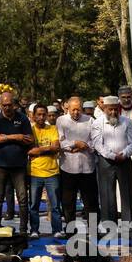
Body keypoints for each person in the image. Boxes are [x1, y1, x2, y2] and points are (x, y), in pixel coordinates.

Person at [0, 91, 35, 230]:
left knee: (22, 198)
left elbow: (30, 139)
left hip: (19, 164)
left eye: (9, 105)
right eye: (4, 105)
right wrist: (14, 137)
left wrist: (4, 137)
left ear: (14, 104)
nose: (7, 108)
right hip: (0, 165)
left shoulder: (23, 118)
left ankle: (23, 229)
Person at [56, 97, 98, 237]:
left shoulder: (90, 120)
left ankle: (93, 230)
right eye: (73, 109)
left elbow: (95, 141)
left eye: (78, 109)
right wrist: (76, 143)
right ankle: (70, 231)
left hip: (87, 167)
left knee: (90, 202)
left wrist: (84, 146)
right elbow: (61, 142)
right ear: (67, 108)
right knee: (68, 202)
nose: (75, 112)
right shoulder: (61, 120)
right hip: (68, 167)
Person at [92, 96, 132, 223]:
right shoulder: (97, 123)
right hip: (106, 162)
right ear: (104, 108)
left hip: (125, 161)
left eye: (116, 109)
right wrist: (112, 156)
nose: (113, 112)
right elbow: (98, 144)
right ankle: (109, 225)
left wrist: (124, 154)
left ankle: (128, 225)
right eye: (110, 109)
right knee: (107, 195)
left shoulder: (127, 122)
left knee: (127, 194)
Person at [27, 103, 63, 237]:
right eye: (39, 115)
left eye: (44, 114)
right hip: (34, 172)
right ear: (33, 116)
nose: (42, 117)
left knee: (55, 205)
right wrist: (47, 149)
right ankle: (34, 230)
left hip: (52, 171)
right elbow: (30, 151)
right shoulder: (30, 130)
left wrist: (39, 150)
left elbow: (55, 147)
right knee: (34, 205)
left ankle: (57, 230)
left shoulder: (53, 128)